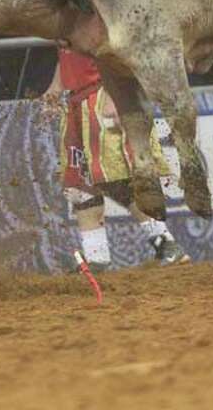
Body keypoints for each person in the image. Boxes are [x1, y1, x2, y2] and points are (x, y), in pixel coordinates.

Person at [44, 48, 186, 270]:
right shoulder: (64, 26)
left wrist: (115, 95)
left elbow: (118, 47)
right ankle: (97, 258)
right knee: (81, 188)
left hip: (103, 94)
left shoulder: (96, 22)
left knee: (117, 180)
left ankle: (166, 243)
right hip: (76, 101)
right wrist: (56, 86)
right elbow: (67, 51)